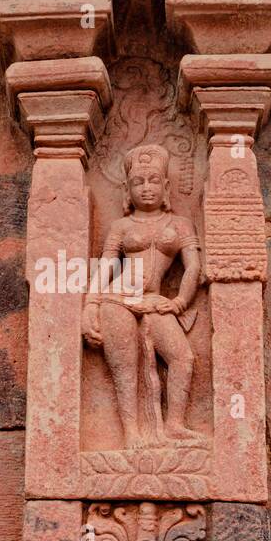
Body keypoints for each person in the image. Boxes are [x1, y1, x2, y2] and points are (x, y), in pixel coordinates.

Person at [83, 143, 201, 448]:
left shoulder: (179, 224)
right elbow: (106, 265)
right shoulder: (121, 226)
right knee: (125, 367)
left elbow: (193, 268)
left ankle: (174, 424)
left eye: (153, 181)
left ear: (166, 186)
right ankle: (132, 433)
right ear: (127, 189)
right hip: (117, 299)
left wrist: (178, 303)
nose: (146, 188)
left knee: (183, 357)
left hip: (155, 302)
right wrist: (91, 305)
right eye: (138, 182)